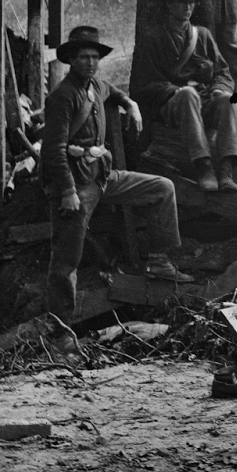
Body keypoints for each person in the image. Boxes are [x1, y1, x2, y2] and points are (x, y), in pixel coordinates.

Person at [40, 24, 191, 352]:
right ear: (71, 60)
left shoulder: (96, 84)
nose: (91, 63)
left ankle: (159, 259)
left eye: (95, 57)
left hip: (102, 178)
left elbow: (113, 92)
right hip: (76, 186)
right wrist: (67, 191)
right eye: (83, 57)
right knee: (66, 263)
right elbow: (52, 151)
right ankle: (59, 334)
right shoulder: (63, 96)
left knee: (162, 188)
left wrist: (131, 104)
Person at [130, 0, 237, 194]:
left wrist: (219, 89)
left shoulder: (202, 35)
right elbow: (142, 86)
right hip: (174, 106)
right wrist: (177, 90)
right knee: (187, 95)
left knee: (230, 98)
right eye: (181, 3)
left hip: (205, 101)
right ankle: (204, 166)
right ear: (169, 5)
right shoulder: (153, 39)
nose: (187, 8)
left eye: (191, 3)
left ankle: (226, 168)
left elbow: (223, 72)